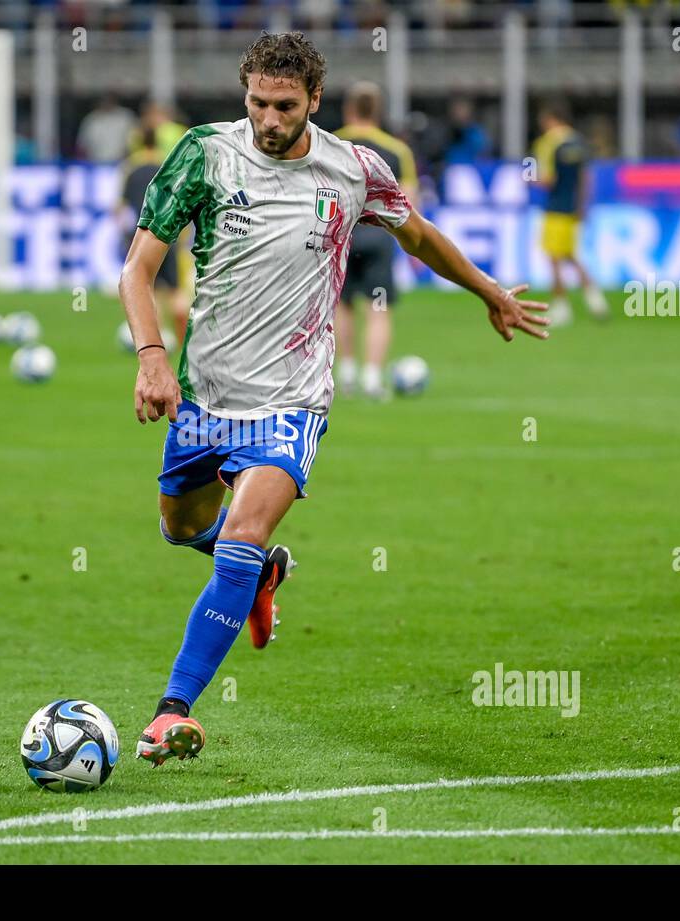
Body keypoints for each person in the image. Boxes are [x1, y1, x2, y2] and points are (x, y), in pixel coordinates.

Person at [118, 31, 548, 766]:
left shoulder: (353, 168)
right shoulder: (206, 154)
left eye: (284, 105)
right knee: (180, 527)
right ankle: (262, 575)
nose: (268, 118)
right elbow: (137, 269)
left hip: (293, 398)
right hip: (204, 394)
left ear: (315, 101)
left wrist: (490, 291)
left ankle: (172, 710)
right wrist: (152, 357)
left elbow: (418, 236)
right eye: (257, 102)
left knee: (239, 537)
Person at [333, 81, 418, 399]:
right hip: (380, 238)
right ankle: (372, 377)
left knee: (342, 306)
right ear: (378, 112)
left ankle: (348, 372)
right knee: (378, 309)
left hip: (341, 238)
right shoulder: (397, 150)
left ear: (349, 110)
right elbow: (409, 203)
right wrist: (414, 249)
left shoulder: (332, 143)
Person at [531, 100, 607, 326]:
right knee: (569, 255)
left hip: (555, 208)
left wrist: (528, 178)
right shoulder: (578, 142)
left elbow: (547, 178)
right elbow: (587, 177)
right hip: (573, 208)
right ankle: (595, 299)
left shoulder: (547, 143)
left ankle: (561, 307)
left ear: (548, 120)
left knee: (554, 258)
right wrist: (583, 205)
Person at [117, 128, 188, 344]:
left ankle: (157, 340)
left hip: (143, 236)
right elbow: (182, 202)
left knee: (149, 287)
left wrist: (125, 235)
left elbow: (119, 207)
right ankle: (183, 338)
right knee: (176, 290)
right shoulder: (166, 166)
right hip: (169, 234)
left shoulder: (130, 168)